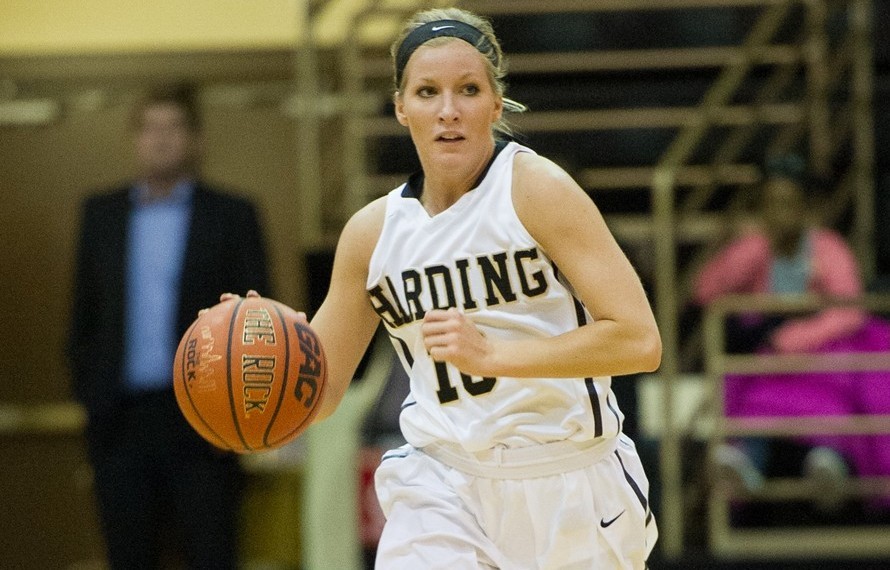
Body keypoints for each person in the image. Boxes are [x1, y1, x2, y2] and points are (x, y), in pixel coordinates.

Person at [232, 7, 661, 567]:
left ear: (496, 103)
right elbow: (321, 388)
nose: (449, 112)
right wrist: (254, 352)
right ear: (400, 107)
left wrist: (495, 355)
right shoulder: (371, 234)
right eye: (428, 92)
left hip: (568, 479)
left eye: (468, 90)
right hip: (441, 483)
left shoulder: (536, 190)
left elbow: (638, 342)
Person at [67, 83, 270, 569]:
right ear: (134, 139)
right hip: (121, 421)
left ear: (195, 139)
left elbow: (256, 319)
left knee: (213, 555)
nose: (161, 139)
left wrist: (240, 417)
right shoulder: (101, 215)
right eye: (150, 128)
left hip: (205, 423)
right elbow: (83, 317)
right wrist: (92, 400)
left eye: (173, 127)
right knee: (128, 557)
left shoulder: (233, 216)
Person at [694, 154, 890, 513]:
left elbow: (850, 309)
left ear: (804, 208)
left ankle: (828, 462)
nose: (779, 213)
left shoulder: (827, 247)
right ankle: (744, 461)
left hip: (820, 356)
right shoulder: (756, 248)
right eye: (771, 204)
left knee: (830, 401)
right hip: (771, 360)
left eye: (787, 204)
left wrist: (793, 340)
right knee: (752, 395)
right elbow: (705, 291)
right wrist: (751, 252)